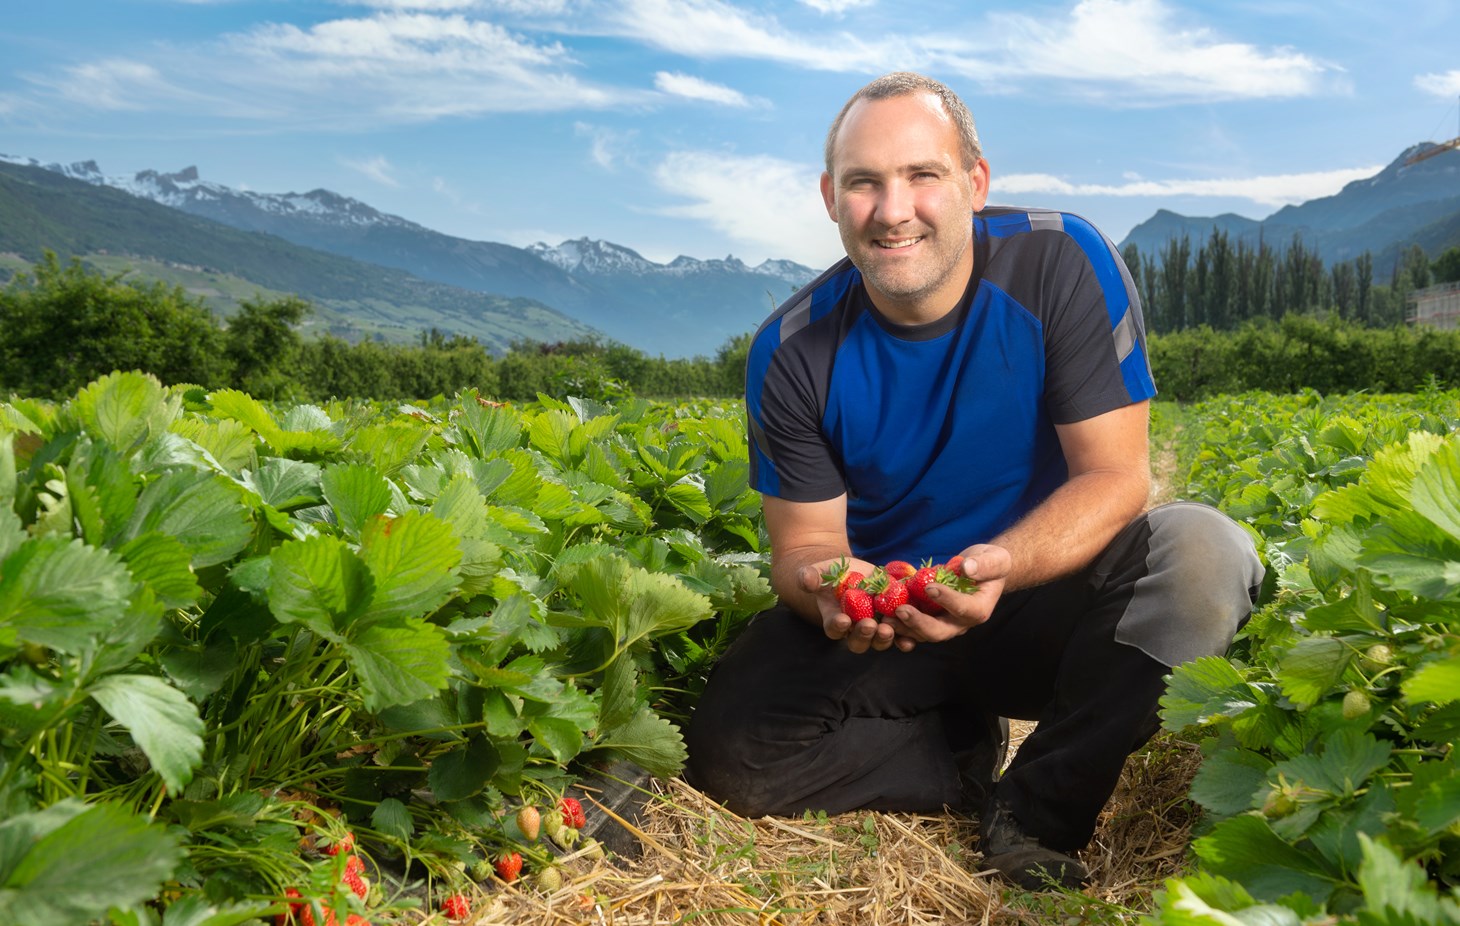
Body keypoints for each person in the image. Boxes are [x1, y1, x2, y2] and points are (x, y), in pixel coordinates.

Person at [682, 71, 1265, 891]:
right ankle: (959, 757)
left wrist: (1000, 567)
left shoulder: (1060, 260)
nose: (893, 210)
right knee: (733, 750)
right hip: (897, 622)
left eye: (922, 175)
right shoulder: (791, 350)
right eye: (864, 183)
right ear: (830, 197)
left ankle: (1037, 812)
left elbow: (1117, 477)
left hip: (1048, 599)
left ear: (974, 182)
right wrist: (828, 585)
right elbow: (804, 544)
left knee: (1206, 553)